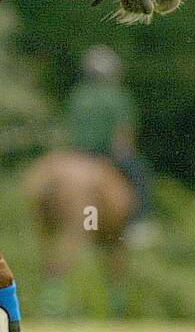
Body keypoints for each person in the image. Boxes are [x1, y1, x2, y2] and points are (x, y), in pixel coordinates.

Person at [66, 45, 157, 245]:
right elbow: (123, 133)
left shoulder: (79, 94)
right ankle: (139, 222)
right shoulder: (117, 96)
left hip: (77, 154)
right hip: (104, 154)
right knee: (140, 173)